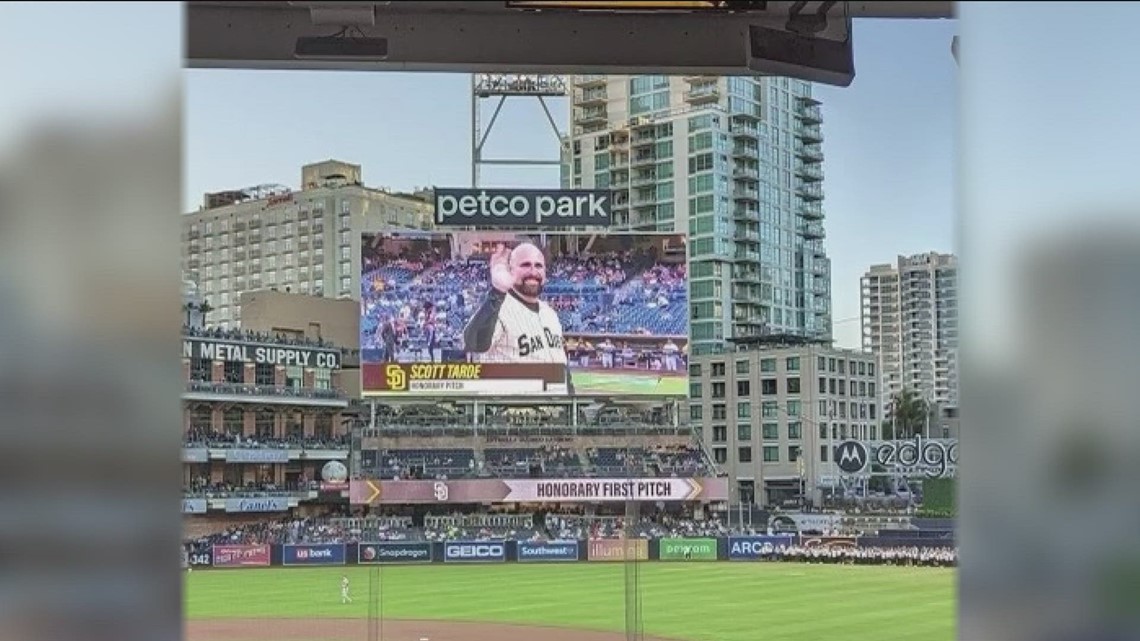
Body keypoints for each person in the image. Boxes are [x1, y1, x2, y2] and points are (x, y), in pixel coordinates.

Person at [462, 242, 573, 393]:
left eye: (539, 266)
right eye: (525, 265)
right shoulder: (498, 307)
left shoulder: (550, 314)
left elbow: (563, 367)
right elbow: (473, 343)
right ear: (510, 270)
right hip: (510, 411)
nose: (533, 271)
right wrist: (497, 292)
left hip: (558, 411)